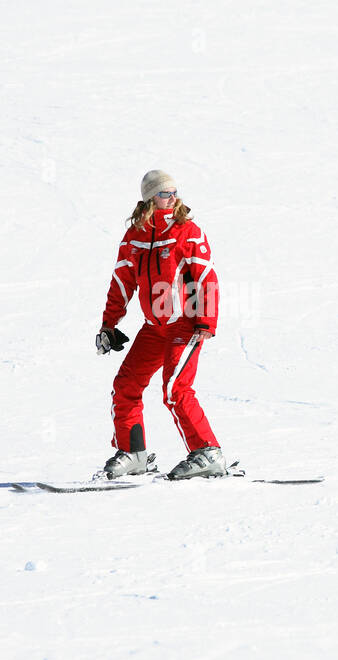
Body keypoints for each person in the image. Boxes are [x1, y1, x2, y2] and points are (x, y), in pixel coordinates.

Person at [97, 170, 226, 480]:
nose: (173, 197)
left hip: (186, 324)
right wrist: (109, 325)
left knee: (175, 389)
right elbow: (121, 282)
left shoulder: (187, 231)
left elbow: (206, 276)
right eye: (165, 193)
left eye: (174, 192)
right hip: (154, 327)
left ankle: (208, 452)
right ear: (149, 199)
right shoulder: (134, 238)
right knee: (125, 386)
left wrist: (205, 322)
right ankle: (133, 453)